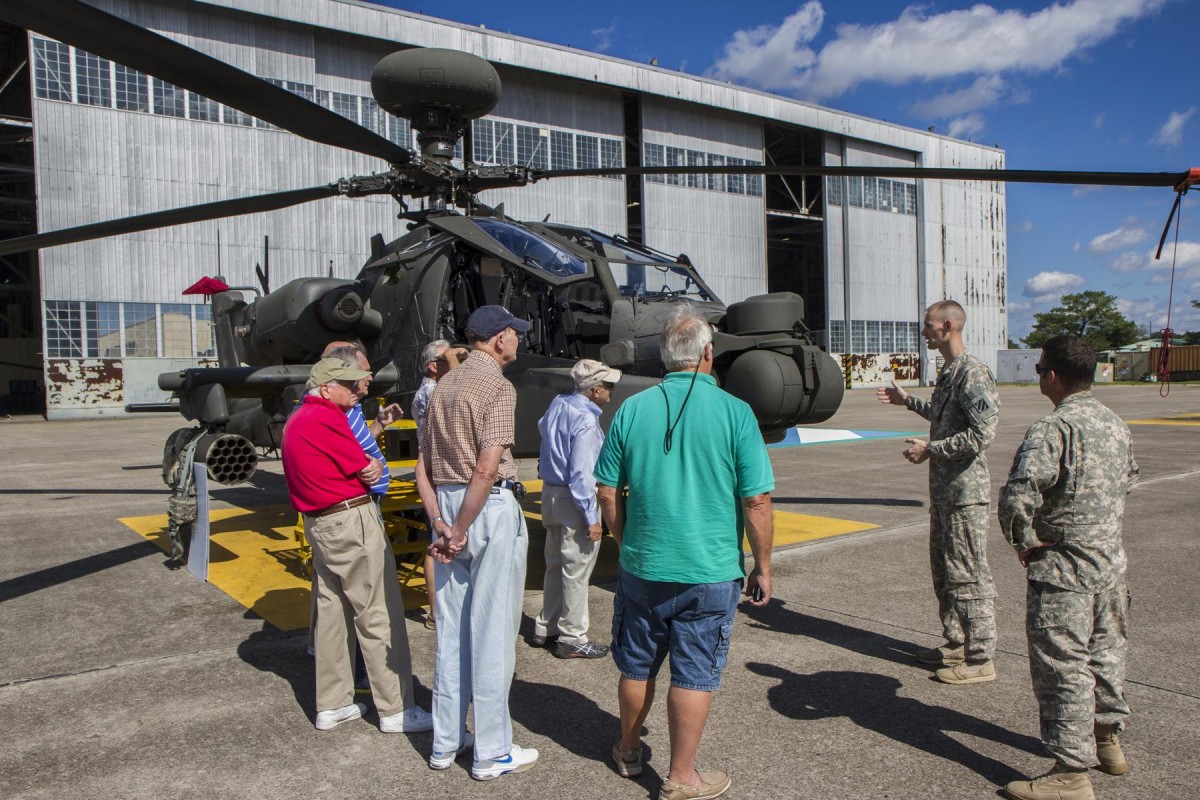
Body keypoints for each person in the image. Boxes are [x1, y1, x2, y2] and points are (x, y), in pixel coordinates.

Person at [595, 305, 773, 800]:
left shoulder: (631, 408)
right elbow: (756, 499)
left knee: (637, 665)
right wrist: (763, 565)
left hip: (643, 565)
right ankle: (681, 776)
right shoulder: (736, 413)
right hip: (710, 569)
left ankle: (628, 750)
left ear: (664, 358)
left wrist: (623, 539)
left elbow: (607, 490)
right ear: (708, 354)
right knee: (693, 672)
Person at [998, 336, 1138, 800]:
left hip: (1064, 573)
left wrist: (1027, 543)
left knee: (1063, 668)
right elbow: (1128, 481)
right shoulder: (1116, 425)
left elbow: (1017, 497)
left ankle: (1071, 774)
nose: (1039, 376)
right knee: (1106, 653)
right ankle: (1107, 741)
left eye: (1039, 369)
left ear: (1052, 376)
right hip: (1110, 566)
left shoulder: (1053, 429)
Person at [414, 305, 538, 780]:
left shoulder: (443, 383)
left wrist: (441, 522)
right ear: (500, 338)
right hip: (482, 508)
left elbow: (422, 467)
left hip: (445, 507)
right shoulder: (497, 386)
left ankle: (446, 742)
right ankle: (492, 750)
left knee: (451, 630)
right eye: (516, 334)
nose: (519, 342)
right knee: (492, 632)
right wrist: (463, 525)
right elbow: (487, 467)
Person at [281, 357, 432, 734]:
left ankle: (332, 704)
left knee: (332, 614)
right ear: (326, 387)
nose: (356, 391)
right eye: (348, 385)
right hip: (349, 518)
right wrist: (374, 466)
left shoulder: (298, 418)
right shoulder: (325, 417)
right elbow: (366, 466)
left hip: (320, 523)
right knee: (378, 611)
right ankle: (396, 708)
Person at [876, 299, 1000, 685]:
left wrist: (932, 449)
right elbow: (944, 416)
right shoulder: (950, 372)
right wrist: (907, 401)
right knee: (945, 573)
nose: (925, 331)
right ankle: (957, 642)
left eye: (929, 325)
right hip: (946, 493)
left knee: (968, 574)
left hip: (965, 493)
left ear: (947, 326)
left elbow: (983, 433)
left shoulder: (973, 372)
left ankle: (981, 657)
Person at [530, 358, 622, 659]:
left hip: (551, 493)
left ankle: (547, 626)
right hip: (574, 498)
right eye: (608, 386)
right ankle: (573, 635)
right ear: (594, 390)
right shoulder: (586, 421)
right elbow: (583, 475)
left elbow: (542, 425)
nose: (611, 392)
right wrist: (592, 518)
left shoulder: (559, 403)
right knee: (577, 570)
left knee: (555, 564)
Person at [410, 338, 462, 631]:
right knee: (438, 540)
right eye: (446, 359)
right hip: (438, 469)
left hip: (439, 467)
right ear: (433, 366)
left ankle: (441, 609)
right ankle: (435, 612)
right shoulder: (432, 391)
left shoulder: (434, 388)